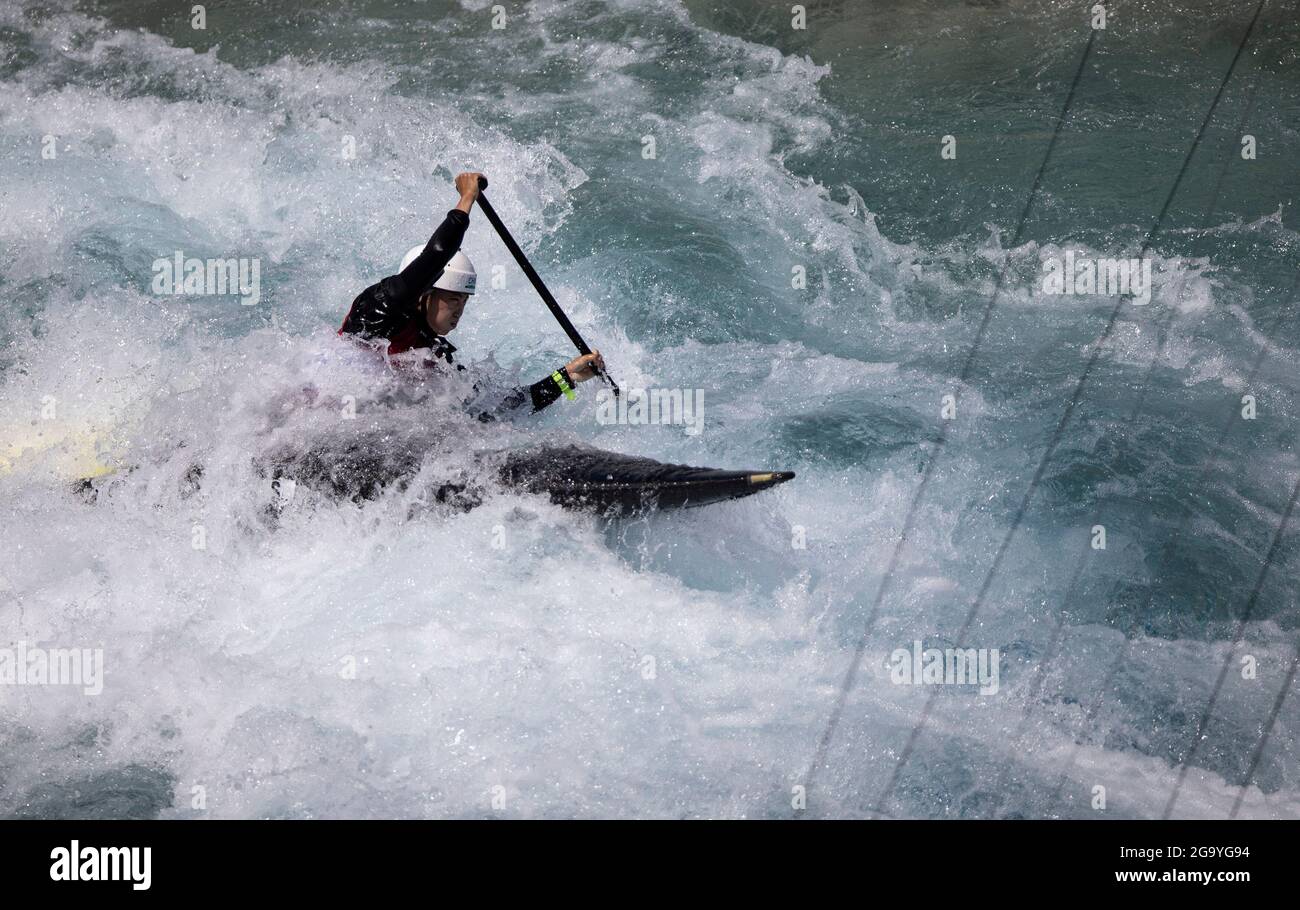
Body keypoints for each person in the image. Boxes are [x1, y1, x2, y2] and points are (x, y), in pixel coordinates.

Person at [340, 171, 605, 416]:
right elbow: (437, 255)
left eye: (464, 301)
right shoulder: (377, 310)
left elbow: (499, 411)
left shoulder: (436, 356)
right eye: (453, 299)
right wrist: (467, 197)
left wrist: (566, 377)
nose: (459, 310)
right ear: (424, 293)